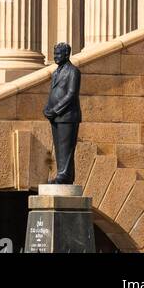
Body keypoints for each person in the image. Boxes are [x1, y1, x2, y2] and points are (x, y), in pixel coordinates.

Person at [43, 41, 81, 184]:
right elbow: (54, 92)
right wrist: (47, 108)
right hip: (56, 117)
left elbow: (71, 94)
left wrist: (55, 109)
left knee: (66, 146)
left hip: (68, 116)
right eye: (54, 54)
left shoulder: (73, 71)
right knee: (59, 147)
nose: (55, 57)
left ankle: (65, 174)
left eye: (58, 54)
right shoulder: (55, 73)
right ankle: (62, 174)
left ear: (66, 54)